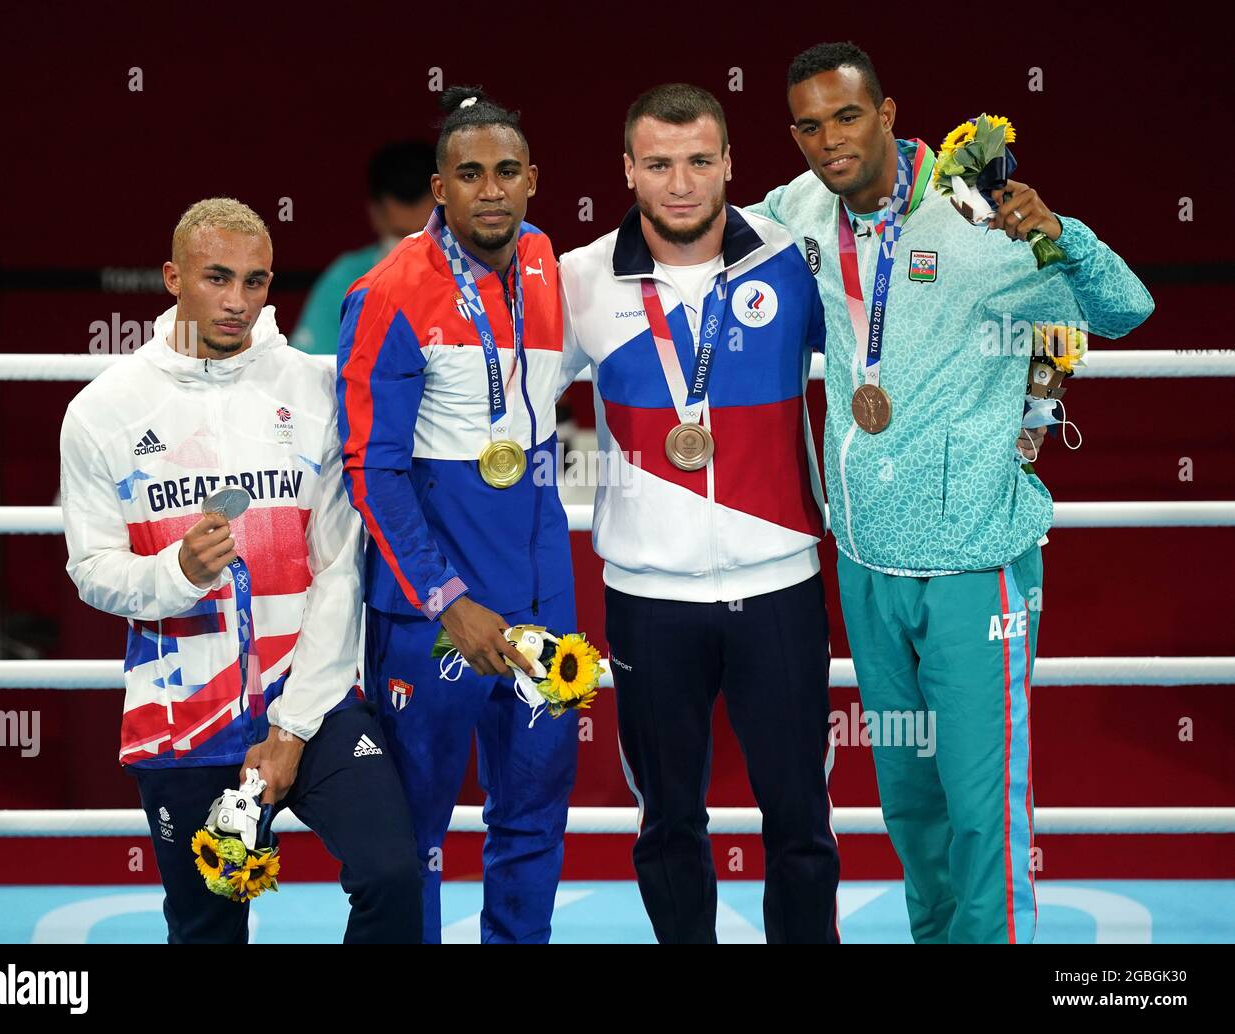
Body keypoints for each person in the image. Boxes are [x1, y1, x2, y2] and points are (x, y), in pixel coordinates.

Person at [749, 42, 1155, 943]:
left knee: (983, 814)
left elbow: (1127, 306)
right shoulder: (799, 210)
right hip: (867, 568)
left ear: (888, 115)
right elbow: (705, 234)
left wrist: (1060, 231)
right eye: (810, 126)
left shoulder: (981, 221)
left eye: (847, 117)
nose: (830, 141)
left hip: (977, 568)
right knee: (912, 810)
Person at [60, 197, 422, 944]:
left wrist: (292, 726)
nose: (237, 302)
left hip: (314, 699)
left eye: (255, 282)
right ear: (171, 278)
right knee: (207, 929)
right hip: (183, 715)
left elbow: (340, 569)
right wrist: (178, 572)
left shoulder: (314, 392)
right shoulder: (103, 412)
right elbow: (91, 569)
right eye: (217, 278)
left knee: (392, 872)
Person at [558, 83, 839, 944]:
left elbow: (886, 347)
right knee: (668, 822)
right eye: (658, 164)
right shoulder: (576, 278)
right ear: (628, 171)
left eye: (698, 162)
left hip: (782, 589)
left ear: (730, 164)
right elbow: (506, 406)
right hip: (647, 600)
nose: (680, 184)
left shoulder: (796, 256)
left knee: (801, 821)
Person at [337, 88, 577, 944]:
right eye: (468, 174)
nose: (490, 190)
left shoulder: (551, 263)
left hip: (545, 607)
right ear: (439, 188)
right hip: (431, 614)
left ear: (533, 181)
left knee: (534, 824)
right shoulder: (389, 292)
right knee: (416, 840)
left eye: (507, 172)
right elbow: (372, 470)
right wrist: (447, 598)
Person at [292, 140, 437, 355]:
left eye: (424, 234)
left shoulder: (475, 278)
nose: (413, 248)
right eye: (400, 235)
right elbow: (307, 367)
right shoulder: (344, 279)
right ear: (375, 215)